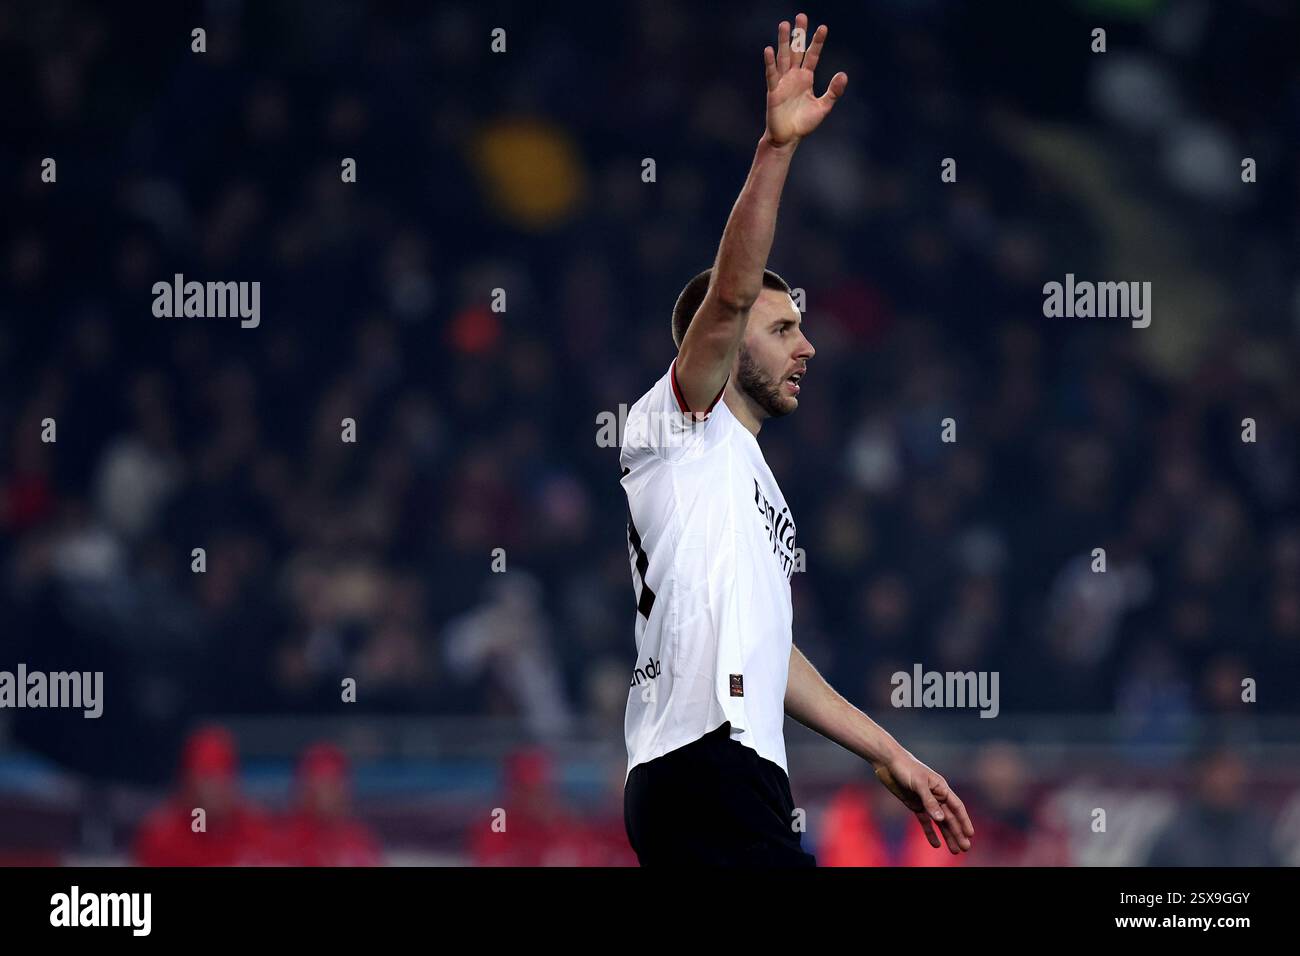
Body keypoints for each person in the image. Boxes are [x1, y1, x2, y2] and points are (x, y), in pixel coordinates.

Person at [619, 12, 974, 866]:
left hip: (734, 772)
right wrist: (776, 149)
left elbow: (772, 655)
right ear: (725, 340)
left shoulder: (751, 484)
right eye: (784, 328)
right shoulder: (675, 425)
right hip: (703, 759)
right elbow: (733, 295)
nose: (807, 345)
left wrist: (888, 751)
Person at [132, 725, 275, 866]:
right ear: (188, 784)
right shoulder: (162, 837)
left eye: (222, 778)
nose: (215, 790)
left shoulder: (257, 830)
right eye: (207, 779)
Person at [276, 742, 383, 866]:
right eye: (320, 786)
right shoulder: (284, 844)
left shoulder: (360, 841)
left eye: (333, 786)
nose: (327, 796)